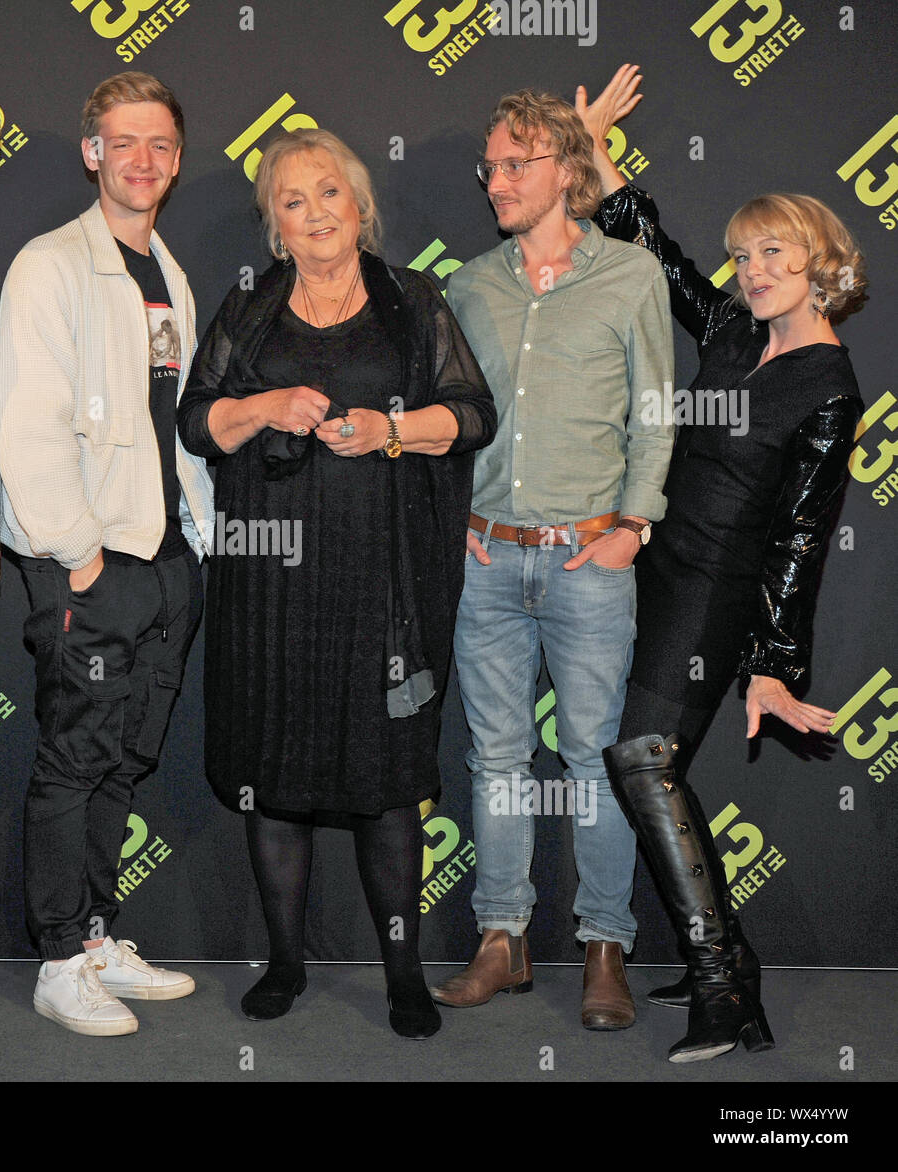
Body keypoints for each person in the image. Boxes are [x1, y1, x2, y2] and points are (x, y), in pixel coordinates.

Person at [178, 128, 496, 1039]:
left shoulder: (412, 302)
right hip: (268, 587)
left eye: (329, 193)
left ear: (360, 205)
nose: (314, 213)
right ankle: (285, 961)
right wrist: (264, 406)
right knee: (274, 780)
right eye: (292, 200)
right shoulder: (249, 309)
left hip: (380, 577)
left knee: (386, 781)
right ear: (274, 225)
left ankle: (403, 973)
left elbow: (473, 414)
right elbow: (198, 421)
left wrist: (392, 431)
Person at [578, 65, 866, 1061]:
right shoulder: (739, 331)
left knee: (640, 760)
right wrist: (596, 150)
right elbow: (659, 258)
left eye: (771, 251)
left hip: (713, 593)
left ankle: (724, 982)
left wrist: (775, 660)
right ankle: (717, 969)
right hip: (657, 567)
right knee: (639, 763)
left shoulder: (828, 388)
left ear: (821, 259)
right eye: (743, 253)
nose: (749, 269)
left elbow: (800, 534)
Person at [432, 88, 675, 1031]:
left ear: (568, 173)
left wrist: (634, 526)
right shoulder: (467, 282)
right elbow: (451, 416)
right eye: (490, 165)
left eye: (515, 164)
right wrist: (456, 511)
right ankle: (503, 939)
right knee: (495, 755)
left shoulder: (631, 278)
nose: (497, 180)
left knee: (588, 761)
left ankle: (605, 946)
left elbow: (656, 415)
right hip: (487, 560)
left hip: (589, 561)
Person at [0, 72, 215, 1037]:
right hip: (90, 560)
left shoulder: (168, 273)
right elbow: (30, 425)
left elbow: (172, 424)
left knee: (122, 764)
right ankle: (54, 960)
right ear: (91, 153)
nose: (143, 161)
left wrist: (190, 551)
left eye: (161, 145)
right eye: (124, 143)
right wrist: (79, 557)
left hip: (166, 561)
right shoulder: (49, 265)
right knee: (73, 762)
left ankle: (94, 938)